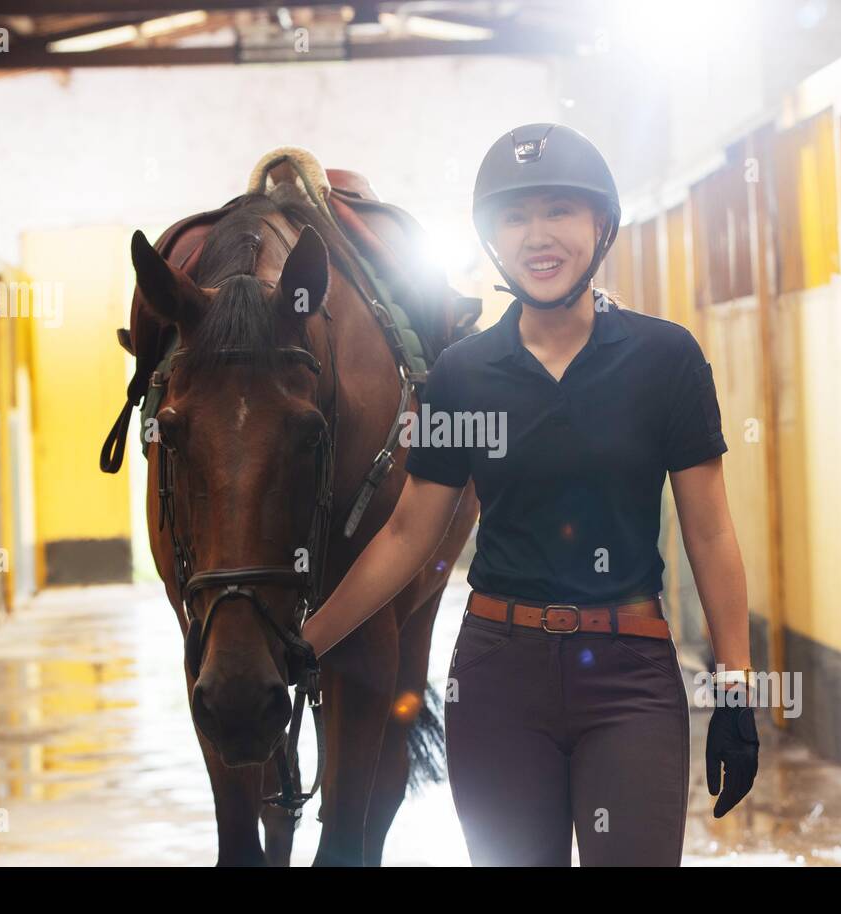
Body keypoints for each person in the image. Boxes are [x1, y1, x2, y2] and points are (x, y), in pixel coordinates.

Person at [300, 123, 758, 865]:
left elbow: (710, 535)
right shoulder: (462, 374)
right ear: (490, 238)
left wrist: (738, 689)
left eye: (559, 211)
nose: (537, 235)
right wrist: (307, 644)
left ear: (601, 225)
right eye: (514, 217)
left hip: (628, 676)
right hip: (497, 679)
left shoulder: (664, 359)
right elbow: (408, 534)